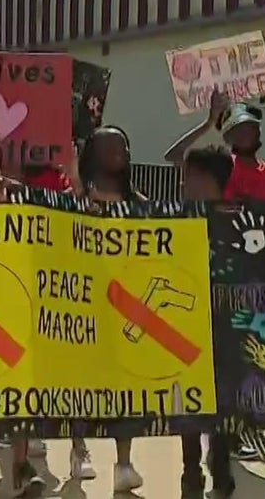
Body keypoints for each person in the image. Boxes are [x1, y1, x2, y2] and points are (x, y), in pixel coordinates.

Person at [73, 125, 148, 490]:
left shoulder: (140, 204)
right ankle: (78, 448)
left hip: (123, 311)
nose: (119, 151)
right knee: (80, 386)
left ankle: (123, 463)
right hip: (82, 307)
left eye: (124, 145)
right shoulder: (75, 200)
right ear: (93, 154)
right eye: (110, 145)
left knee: (124, 390)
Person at [179, 145, 237, 498]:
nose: (185, 186)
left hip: (223, 326)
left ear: (212, 182)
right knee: (188, 403)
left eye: (192, 180)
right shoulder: (178, 216)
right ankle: (190, 472)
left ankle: (221, 465)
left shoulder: (237, 220)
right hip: (185, 326)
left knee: (221, 402)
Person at [221, 103, 265, 203]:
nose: (246, 134)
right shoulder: (218, 170)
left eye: (251, 128)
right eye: (240, 130)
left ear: (258, 133)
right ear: (228, 138)